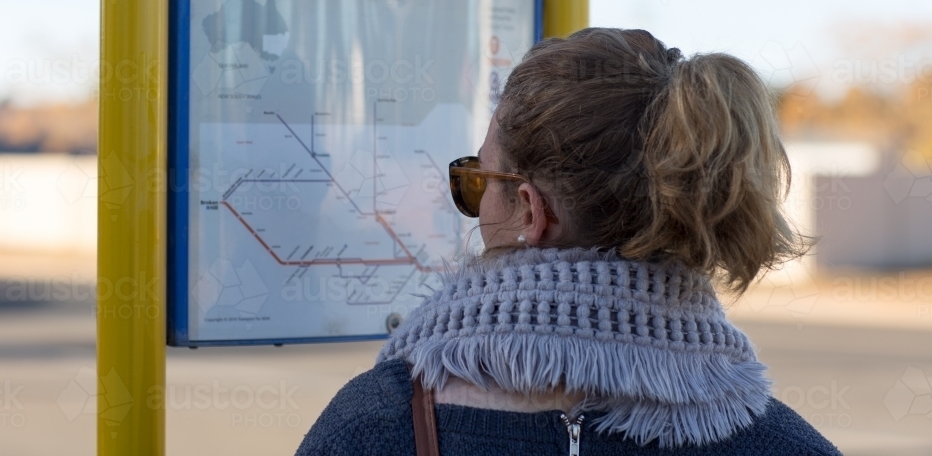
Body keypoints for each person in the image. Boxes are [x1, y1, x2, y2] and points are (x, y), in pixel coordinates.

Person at [296, 28, 842, 455]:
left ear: (531, 212)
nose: (472, 201)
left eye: (478, 180)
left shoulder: (373, 427)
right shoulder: (782, 442)